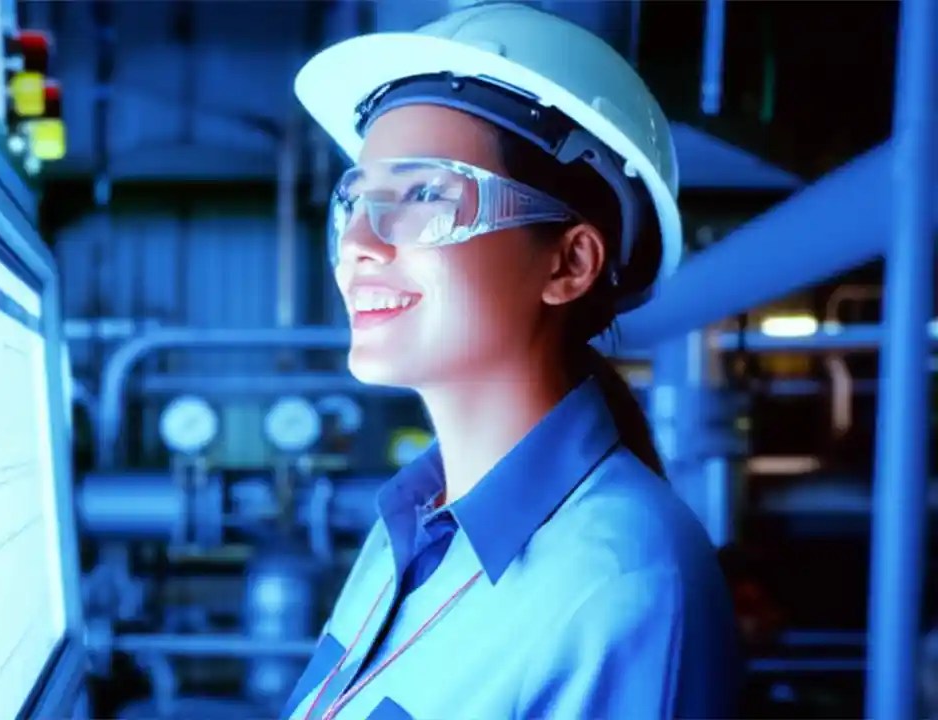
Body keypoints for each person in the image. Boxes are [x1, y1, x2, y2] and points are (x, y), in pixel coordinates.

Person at [281, 3, 741, 719]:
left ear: (570, 263)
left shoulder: (621, 590)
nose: (359, 243)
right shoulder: (411, 524)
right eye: (357, 198)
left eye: (426, 194)